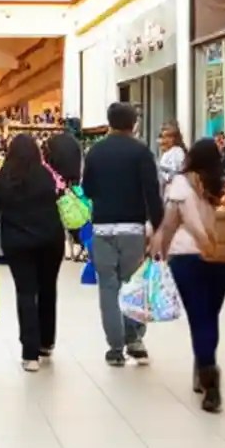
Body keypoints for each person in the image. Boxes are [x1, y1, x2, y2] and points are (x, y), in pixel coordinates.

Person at [153, 138, 225, 413]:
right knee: (210, 315)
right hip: (223, 257)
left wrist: (160, 253)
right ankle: (203, 368)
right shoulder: (222, 184)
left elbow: (169, 223)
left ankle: (210, 381)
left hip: (189, 257)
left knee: (199, 318)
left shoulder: (180, 184)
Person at [81, 102, 163, 367]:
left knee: (108, 287)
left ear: (109, 122)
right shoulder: (141, 152)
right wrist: (158, 227)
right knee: (133, 284)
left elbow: (88, 189)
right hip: (133, 229)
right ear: (134, 123)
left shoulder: (95, 152)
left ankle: (115, 348)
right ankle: (135, 340)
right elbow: (152, 192)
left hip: (103, 227)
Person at [0, 134, 66, 372]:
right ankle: (46, 342)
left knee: (26, 292)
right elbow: (61, 200)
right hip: (51, 240)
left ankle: (30, 354)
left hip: (18, 243)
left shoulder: (3, 178)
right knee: (48, 289)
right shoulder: (46, 175)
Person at [44, 132, 84, 261]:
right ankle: (77, 242)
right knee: (74, 211)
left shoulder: (52, 147)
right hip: (73, 184)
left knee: (59, 212)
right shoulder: (75, 146)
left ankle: (66, 245)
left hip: (58, 182)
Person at [157, 122, 187, 188]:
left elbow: (173, 174)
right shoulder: (168, 152)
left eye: (169, 137)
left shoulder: (177, 152)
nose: (164, 141)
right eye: (162, 137)